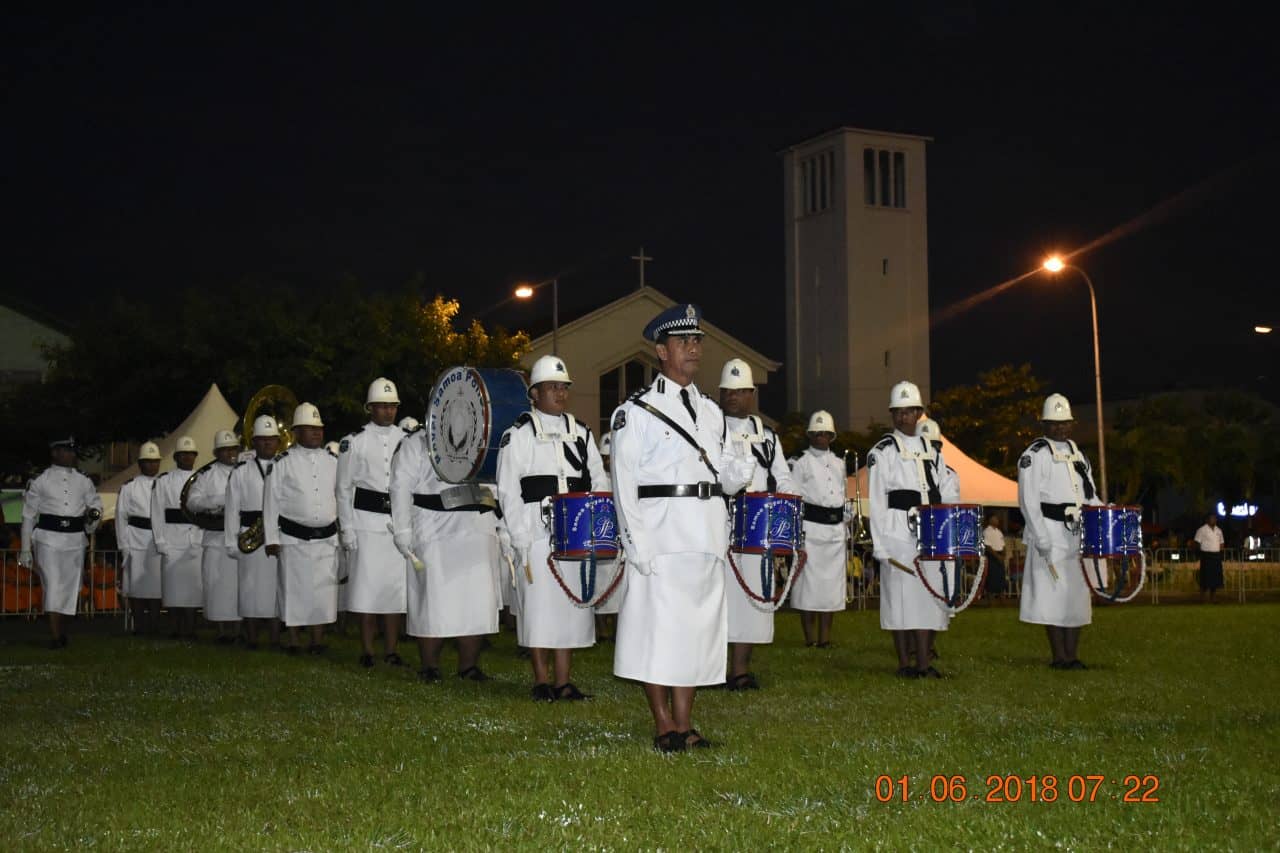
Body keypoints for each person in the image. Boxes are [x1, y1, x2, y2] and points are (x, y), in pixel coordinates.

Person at [610, 303, 755, 751]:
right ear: (661, 350)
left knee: (695, 632)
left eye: (697, 341)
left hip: (705, 533)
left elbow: (725, 477)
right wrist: (636, 546)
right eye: (683, 342)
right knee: (656, 632)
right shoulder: (637, 411)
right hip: (660, 534)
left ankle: (686, 723)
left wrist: (741, 465)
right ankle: (662, 722)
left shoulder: (712, 413)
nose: (693, 349)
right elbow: (623, 483)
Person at [496, 355, 608, 701]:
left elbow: (599, 478)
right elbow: (507, 487)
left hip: (576, 530)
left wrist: (599, 523)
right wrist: (518, 534)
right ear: (535, 392)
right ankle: (541, 680)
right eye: (553, 387)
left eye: (564, 387)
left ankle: (564, 680)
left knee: (571, 607)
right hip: (536, 530)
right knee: (541, 607)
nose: (560, 393)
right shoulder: (519, 433)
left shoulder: (581, 432)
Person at [389, 415, 502, 682]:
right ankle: (430, 666)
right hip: (434, 529)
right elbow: (400, 485)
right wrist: (403, 530)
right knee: (433, 603)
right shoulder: (416, 442)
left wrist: (501, 524)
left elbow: (496, 482)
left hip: (476, 528)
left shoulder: (481, 439)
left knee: (475, 603)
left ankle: (468, 666)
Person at [868, 382, 959, 678]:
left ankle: (924, 663)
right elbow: (878, 499)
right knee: (900, 600)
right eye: (898, 412)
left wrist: (948, 528)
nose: (903, 417)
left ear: (919, 413)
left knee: (928, 599)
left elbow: (945, 490)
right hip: (897, 530)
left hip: (931, 531)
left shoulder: (932, 450)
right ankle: (904, 664)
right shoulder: (883, 451)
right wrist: (880, 544)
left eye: (909, 411)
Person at [719, 357, 795, 690]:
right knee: (719, 601)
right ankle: (715, 670)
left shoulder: (768, 437)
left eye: (741, 392)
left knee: (751, 601)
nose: (734, 397)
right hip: (722, 524)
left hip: (760, 528)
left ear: (752, 394)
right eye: (728, 392)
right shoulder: (711, 430)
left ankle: (740, 671)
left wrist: (789, 523)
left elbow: (783, 479)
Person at [1017, 393, 1102, 670]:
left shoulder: (1079, 455)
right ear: (1044, 425)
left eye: (1064, 423)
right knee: (1051, 596)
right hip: (1050, 531)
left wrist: (1105, 512)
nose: (1060, 428)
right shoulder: (1034, 455)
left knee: (1077, 595)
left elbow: (1090, 494)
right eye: (1054, 424)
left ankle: (1073, 655)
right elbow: (1028, 500)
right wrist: (1040, 537)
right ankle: (1059, 656)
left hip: (1078, 534)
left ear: (1072, 424)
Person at [337, 378, 409, 668]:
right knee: (366, 591)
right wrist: (347, 529)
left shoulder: (406, 439)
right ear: (370, 408)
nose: (388, 411)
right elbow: (342, 488)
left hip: (395, 524)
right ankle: (367, 650)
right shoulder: (354, 441)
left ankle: (391, 650)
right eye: (382, 406)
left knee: (394, 592)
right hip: (366, 525)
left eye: (392, 406)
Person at [263, 403, 339, 654]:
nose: (316, 433)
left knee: (322, 591)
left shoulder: (333, 461)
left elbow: (340, 496)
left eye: (319, 429)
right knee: (294, 591)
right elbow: (271, 501)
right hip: (294, 538)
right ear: (296, 432)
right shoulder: (283, 462)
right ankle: (294, 640)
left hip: (326, 537)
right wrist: (271, 537)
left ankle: (318, 640)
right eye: (309, 429)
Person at [18, 437, 103, 648]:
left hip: (75, 540)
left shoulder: (84, 481)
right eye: (65, 450)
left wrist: (94, 517)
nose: (71, 454)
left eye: (72, 451)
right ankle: (56, 637)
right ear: (54, 452)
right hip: (48, 539)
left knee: (70, 589)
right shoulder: (40, 481)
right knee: (53, 586)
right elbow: (28, 516)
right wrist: (25, 549)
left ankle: (62, 632)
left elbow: (95, 505)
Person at [788, 410, 848, 647]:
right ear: (810, 435)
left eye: (825, 433)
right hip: (810, 528)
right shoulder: (800, 463)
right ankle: (810, 638)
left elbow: (841, 493)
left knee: (831, 588)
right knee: (808, 586)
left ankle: (825, 638)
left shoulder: (839, 463)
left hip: (834, 529)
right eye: (817, 433)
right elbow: (795, 495)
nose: (821, 437)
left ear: (831, 436)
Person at [224, 414, 282, 649]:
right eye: (262, 439)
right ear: (254, 442)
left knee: (277, 588)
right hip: (251, 534)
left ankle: (276, 638)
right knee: (249, 588)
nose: (267, 443)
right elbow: (231, 508)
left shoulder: (284, 465)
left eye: (272, 439)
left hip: (276, 534)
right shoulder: (240, 471)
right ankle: (252, 638)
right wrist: (231, 542)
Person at [185, 429, 242, 643]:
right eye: (225, 450)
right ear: (216, 452)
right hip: (215, 537)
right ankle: (221, 631)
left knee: (238, 585)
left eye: (233, 449)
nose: (230, 454)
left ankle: (238, 630)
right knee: (216, 584)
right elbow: (192, 501)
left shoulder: (245, 471)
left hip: (238, 537)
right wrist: (219, 500)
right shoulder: (206, 475)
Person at [151, 436, 203, 639]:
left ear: (195, 456)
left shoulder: (202, 480)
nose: (187, 457)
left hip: (195, 540)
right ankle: (174, 629)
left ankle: (190, 630)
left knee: (193, 590)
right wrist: (160, 541)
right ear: (176, 457)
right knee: (173, 590)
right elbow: (156, 512)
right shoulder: (164, 481)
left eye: (191, 454)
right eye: (183, 454)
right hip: (172, 541)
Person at [115, 441, 163, 634]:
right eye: (148, 462)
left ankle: (155, 625)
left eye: (155, 462)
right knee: (136, 588)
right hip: (136, 541)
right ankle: (140, 626)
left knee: (156, 588)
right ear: (140, 463)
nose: (152, 465)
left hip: (158, 541)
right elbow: (121, 517)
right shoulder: (129, 487)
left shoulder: (164, 484)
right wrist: (123, 546)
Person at [592, 430, 624, 642]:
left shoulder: (625, 476)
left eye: (610, 456)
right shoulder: (596, 478)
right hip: (601, 535)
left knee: (620, 585)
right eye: (603, 457)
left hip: (621, 538)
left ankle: (618, 630)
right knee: (600, 583)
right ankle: (601, 628)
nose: (606, 461)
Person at [1193, 513, 1225, 603]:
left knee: (1215, 579)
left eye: (1215, 518)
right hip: (1206, 556)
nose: (1214, 520)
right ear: (1207, 520)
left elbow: (1222, 542)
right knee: (1205, 578)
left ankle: (1213, 598)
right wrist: (1200, 552)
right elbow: (1197, 542)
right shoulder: (1202, 530)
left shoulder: (1219, 530)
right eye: (1212, 518)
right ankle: (1202, 598)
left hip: (1216, 556)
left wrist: (1220, 551)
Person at [983, 514, 1008, 599]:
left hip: (1000, 555)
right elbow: (987, 547)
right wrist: (997, 556)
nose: (997, 520)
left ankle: (1002, 598)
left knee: (1001, 577)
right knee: (991, 577)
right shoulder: (986, 531)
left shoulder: (999, 531)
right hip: (992, 556)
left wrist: (1004, 555)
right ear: (990, 520)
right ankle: (990, 600)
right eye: (994, 518)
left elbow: (1003, 545)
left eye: (997, 519)